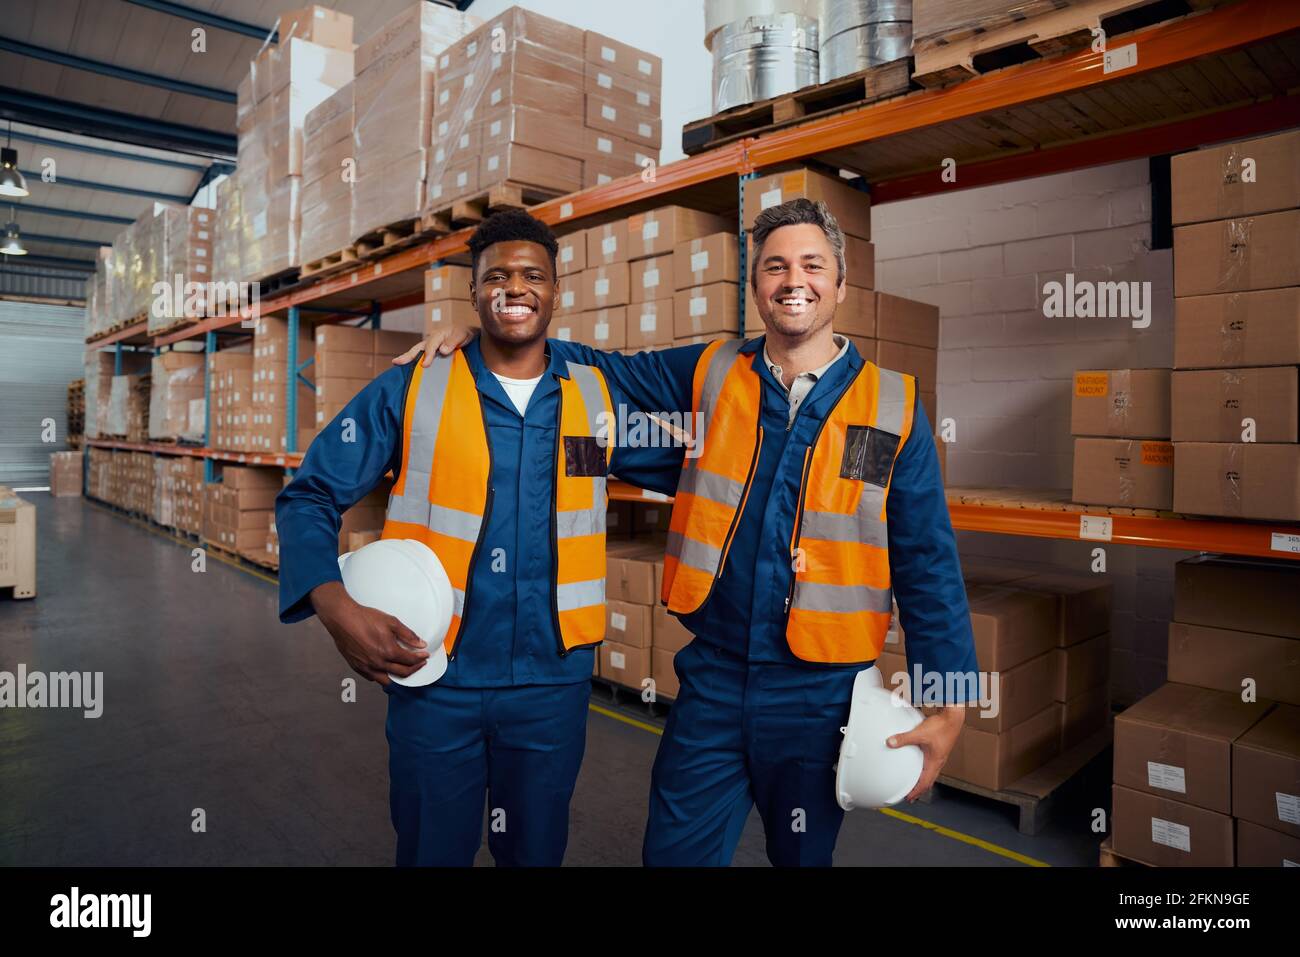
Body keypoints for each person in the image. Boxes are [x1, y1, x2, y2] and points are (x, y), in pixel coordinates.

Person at [401, 198, 979, 867]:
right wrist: (499, 332)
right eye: (774, 266)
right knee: (674, 853)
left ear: (841, 284)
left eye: (812, 265)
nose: (794, 279)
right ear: (756, 286)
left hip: (822, 696)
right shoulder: (713, 370)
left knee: (801, 856)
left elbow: (927, 560)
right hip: (715, 680)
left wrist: (949, 699)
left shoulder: (891, 405)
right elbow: (605, 368)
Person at [276, 210, 681, 866]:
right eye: (496, 275)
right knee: (433, 850)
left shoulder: (596, 395)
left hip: (551, 686)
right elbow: (311, 492)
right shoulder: (414, 387)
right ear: (472, 292)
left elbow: (704, 470)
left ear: (556, 290)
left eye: (532, 276)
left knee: (535, 852)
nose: (514, 288)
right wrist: (333, 603)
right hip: (437, 677)